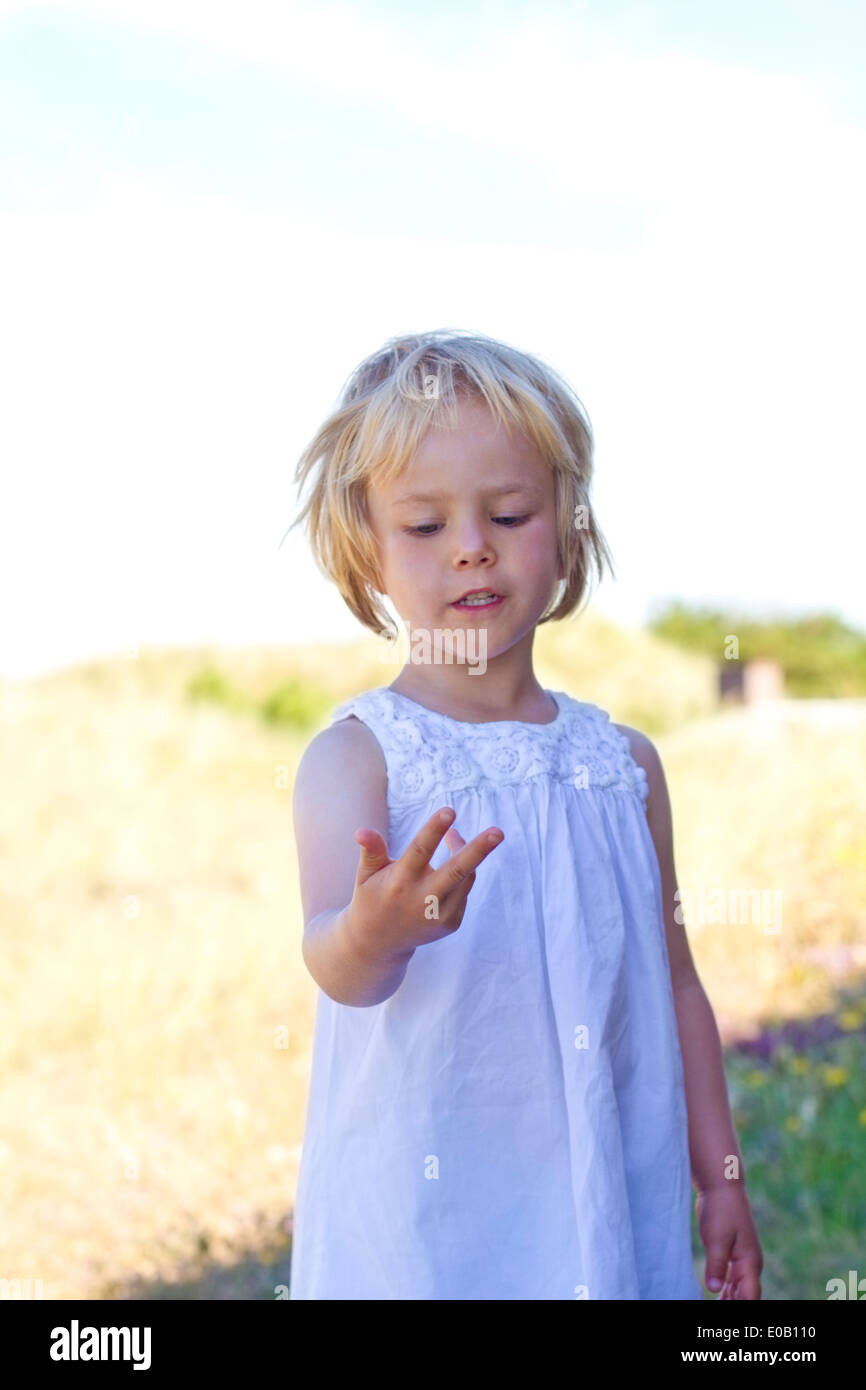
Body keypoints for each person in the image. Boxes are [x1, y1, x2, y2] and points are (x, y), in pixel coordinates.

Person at [285, 328, 763, 1300]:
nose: (469, 544)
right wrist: (377, 929)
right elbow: (335, 960)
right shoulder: (358, 759)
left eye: (507, 511)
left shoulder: (621, 766)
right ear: (366, 549)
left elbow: (675, 984)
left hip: (598, 1188)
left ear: (567, 525)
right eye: (423, 526)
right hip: (427, 1210)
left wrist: (719, 1177)